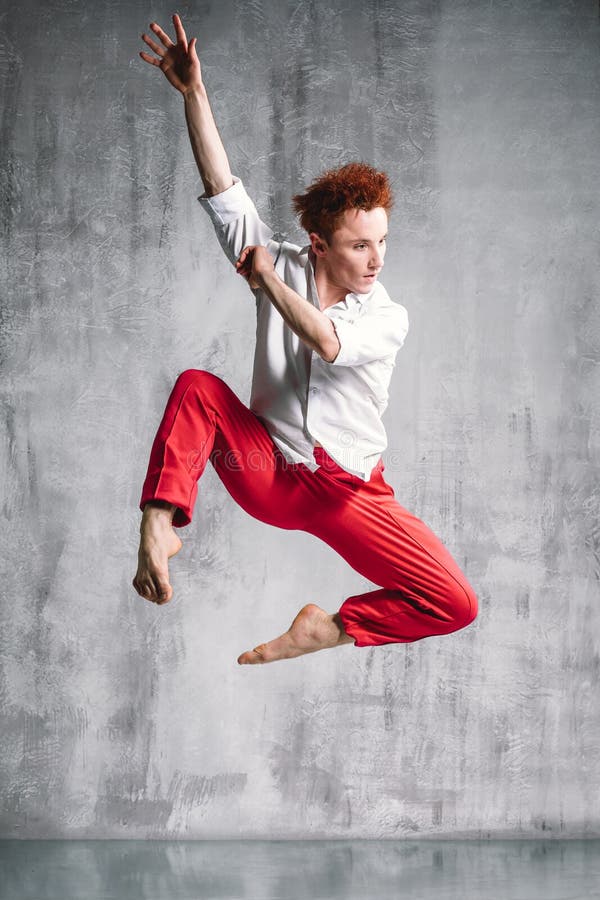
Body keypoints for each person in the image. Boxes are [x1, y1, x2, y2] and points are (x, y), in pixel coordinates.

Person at [133, 13, 478, 665]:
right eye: (359, 245)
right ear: (319, 244)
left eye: (382, 242)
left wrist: (265, 284)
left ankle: (329, 628)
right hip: (266, 470)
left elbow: (325, 340)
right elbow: (222, 189)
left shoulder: (386, 316)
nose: (376, 259)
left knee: (455, 602)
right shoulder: (281, 260)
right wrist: (193, 94)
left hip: (350, 492)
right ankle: (157, 523)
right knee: (198, 388)